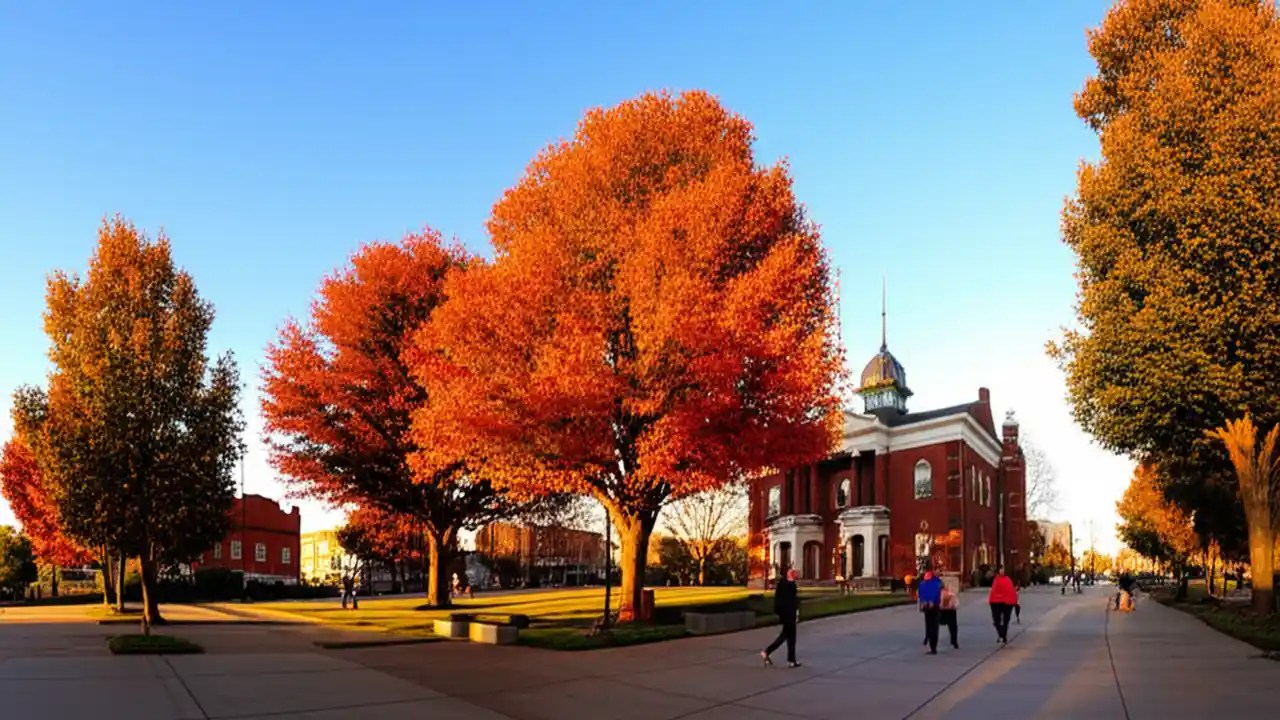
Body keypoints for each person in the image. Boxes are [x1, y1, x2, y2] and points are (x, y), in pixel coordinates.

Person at [762, 568, 801, 668]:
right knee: (786, 636)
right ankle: (767, 651)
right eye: (796, 575)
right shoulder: (791, 586)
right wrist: (796, 613)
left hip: (785, 614)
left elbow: (778, 600)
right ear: (792, 575)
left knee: (790, 637)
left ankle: (791, 660)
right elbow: (793, 601)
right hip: (789, 615)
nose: (797, 577)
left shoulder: (782, 585)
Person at [988, 566, 1017, 645]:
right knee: (996, 619)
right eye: (1000, 570)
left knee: (1005, 620)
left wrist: (1013, 600)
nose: (1002, 572)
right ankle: (1001, 634)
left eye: (1003, 570)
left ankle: (1003, 635)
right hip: (997, 602)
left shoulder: (1008, 580)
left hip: (1006, 602)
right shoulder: (995, 580)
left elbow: (1011, 591)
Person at [917, 570, 943, 655]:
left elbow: (921, 593)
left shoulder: (923, 584)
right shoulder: (937, 583)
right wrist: (932, 601)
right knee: (933, 626)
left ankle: (930, 641)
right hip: (933, 606)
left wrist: (924, 601)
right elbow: (936, 593)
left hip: (929, 606)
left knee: (930, 625)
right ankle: (932, 646)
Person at [940, 583, 959, 650]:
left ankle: (928, 639)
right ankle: (954, 641)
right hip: (951, 610)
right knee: (953, 626)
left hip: (940, 610)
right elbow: (956, 603)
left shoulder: (938, 594)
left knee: (933, 625)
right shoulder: (951, 593)